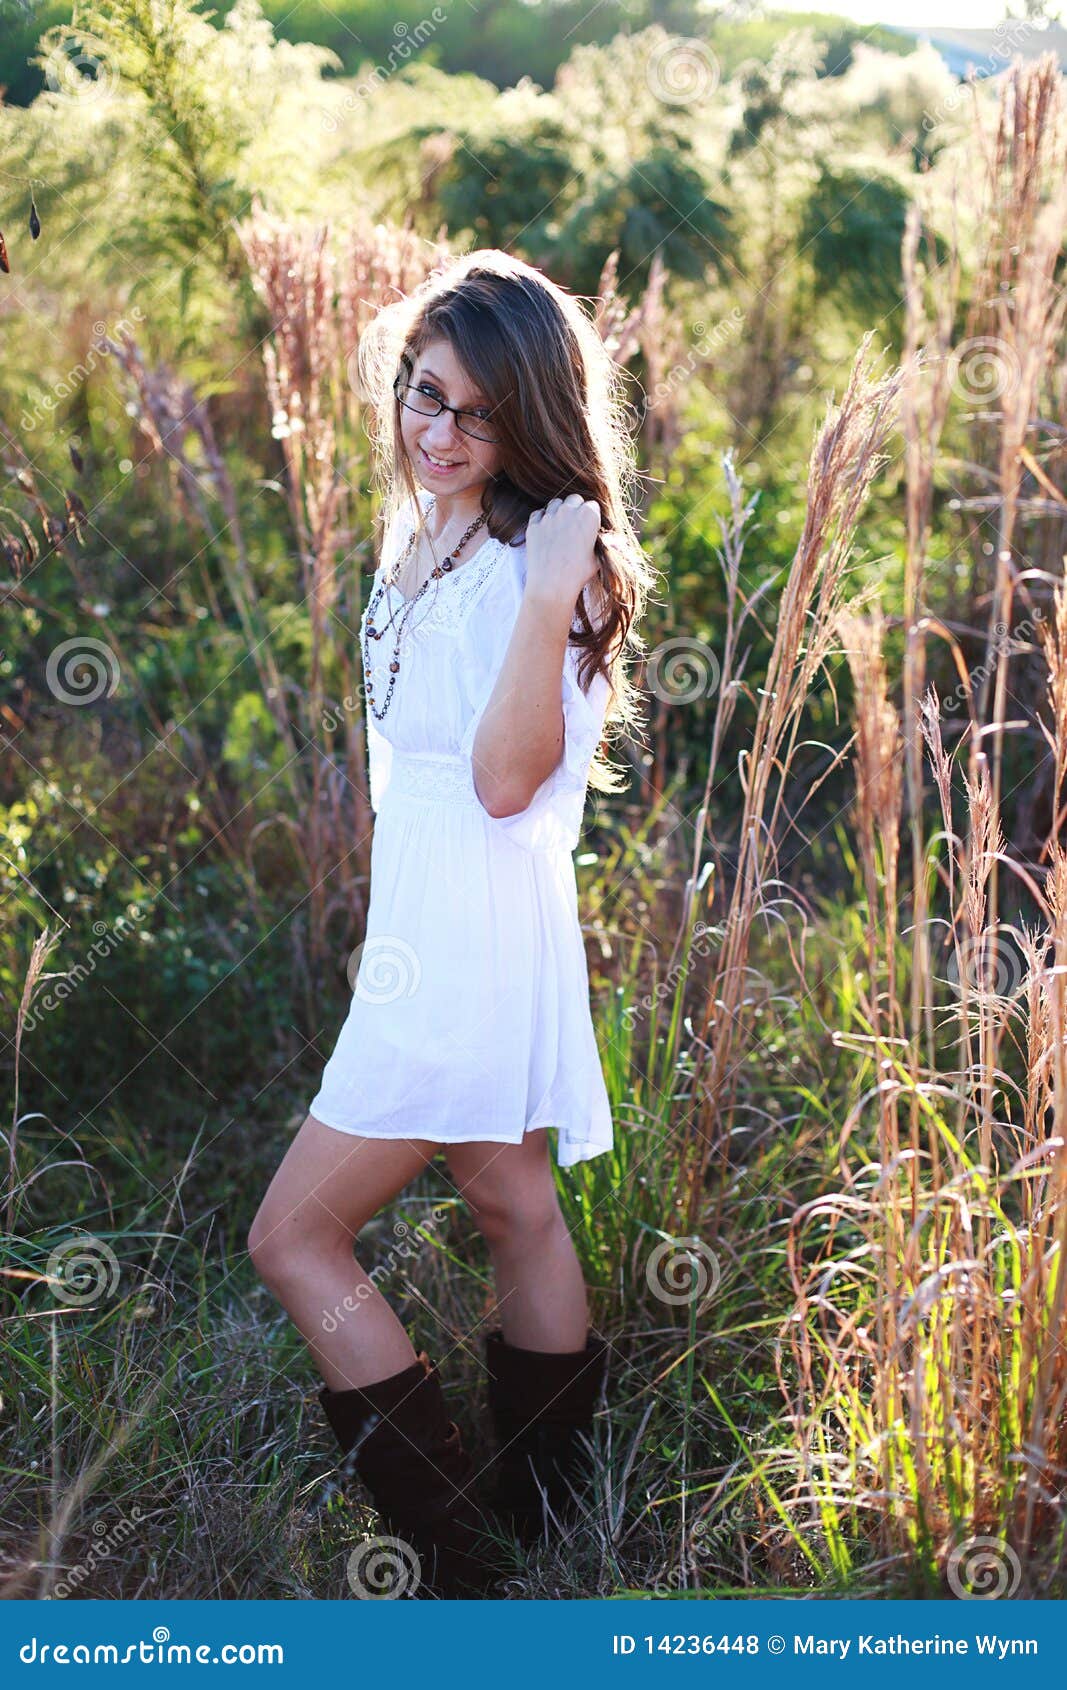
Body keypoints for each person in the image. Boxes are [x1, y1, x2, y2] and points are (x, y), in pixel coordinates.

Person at [248, 248, 653, 1598]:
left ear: (531, 413)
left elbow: (500, 778)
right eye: (425, 395)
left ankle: (461, 1556)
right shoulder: (423, 528)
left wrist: (546, 599)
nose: (441, 431)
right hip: (444, 926)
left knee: (291, 1235)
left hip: (474, 940)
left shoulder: (552, 565)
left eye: (478, 412)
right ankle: (544, 1525)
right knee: (509, 1194)